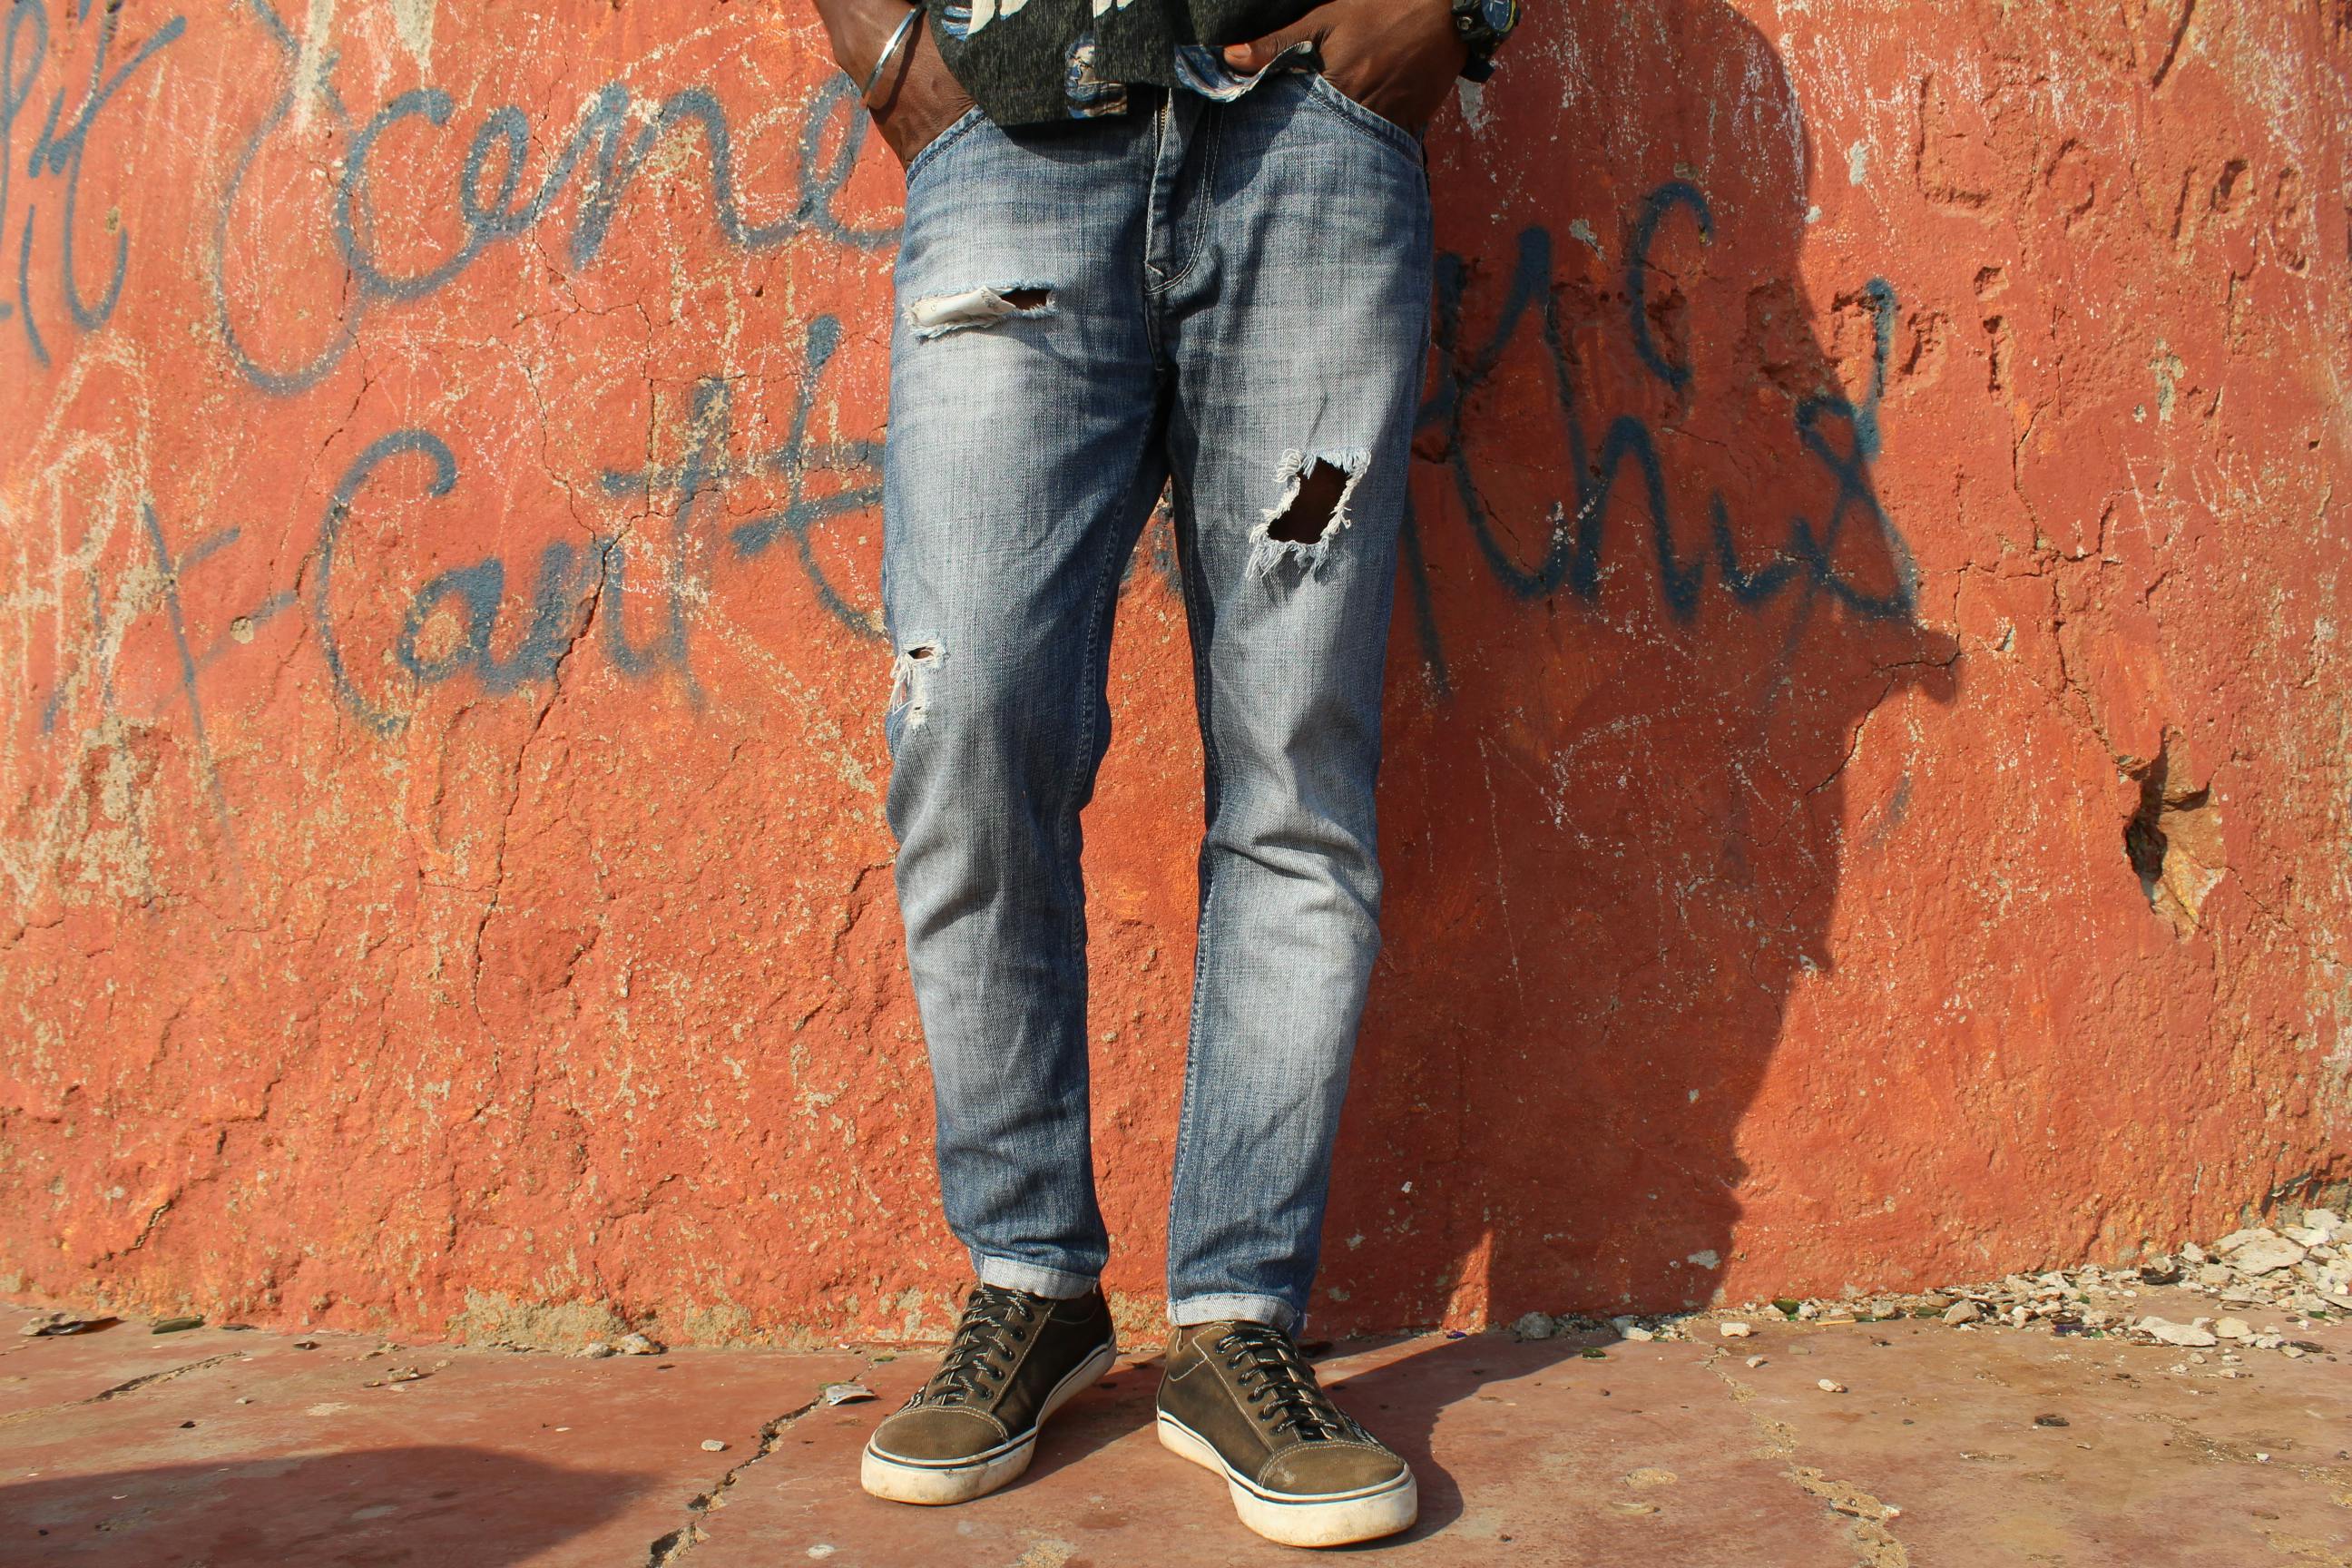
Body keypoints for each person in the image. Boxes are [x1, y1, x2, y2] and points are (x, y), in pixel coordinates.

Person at [804, 0, 1517, 1547]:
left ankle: (1237, 1319)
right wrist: (883, 48)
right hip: (1009, 142)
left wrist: (1453, 15)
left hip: (1311, 143)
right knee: (968, 717)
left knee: (1295, 763)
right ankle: (1031, 1279)